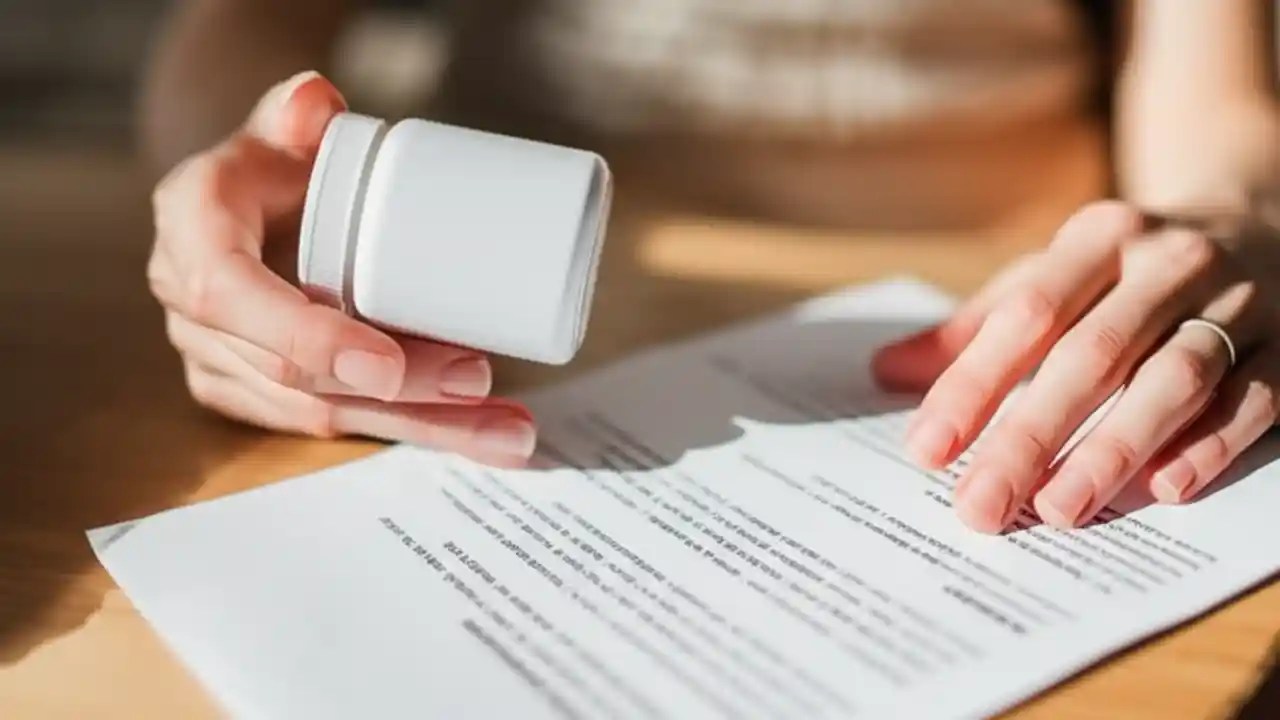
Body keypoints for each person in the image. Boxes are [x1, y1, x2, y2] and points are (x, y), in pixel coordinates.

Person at [141, 0, 1278, 533]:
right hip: (486, 316)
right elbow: (240, 32)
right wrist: (256, 195)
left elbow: (1202, 86)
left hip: (999, 316)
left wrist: (1218, 222)